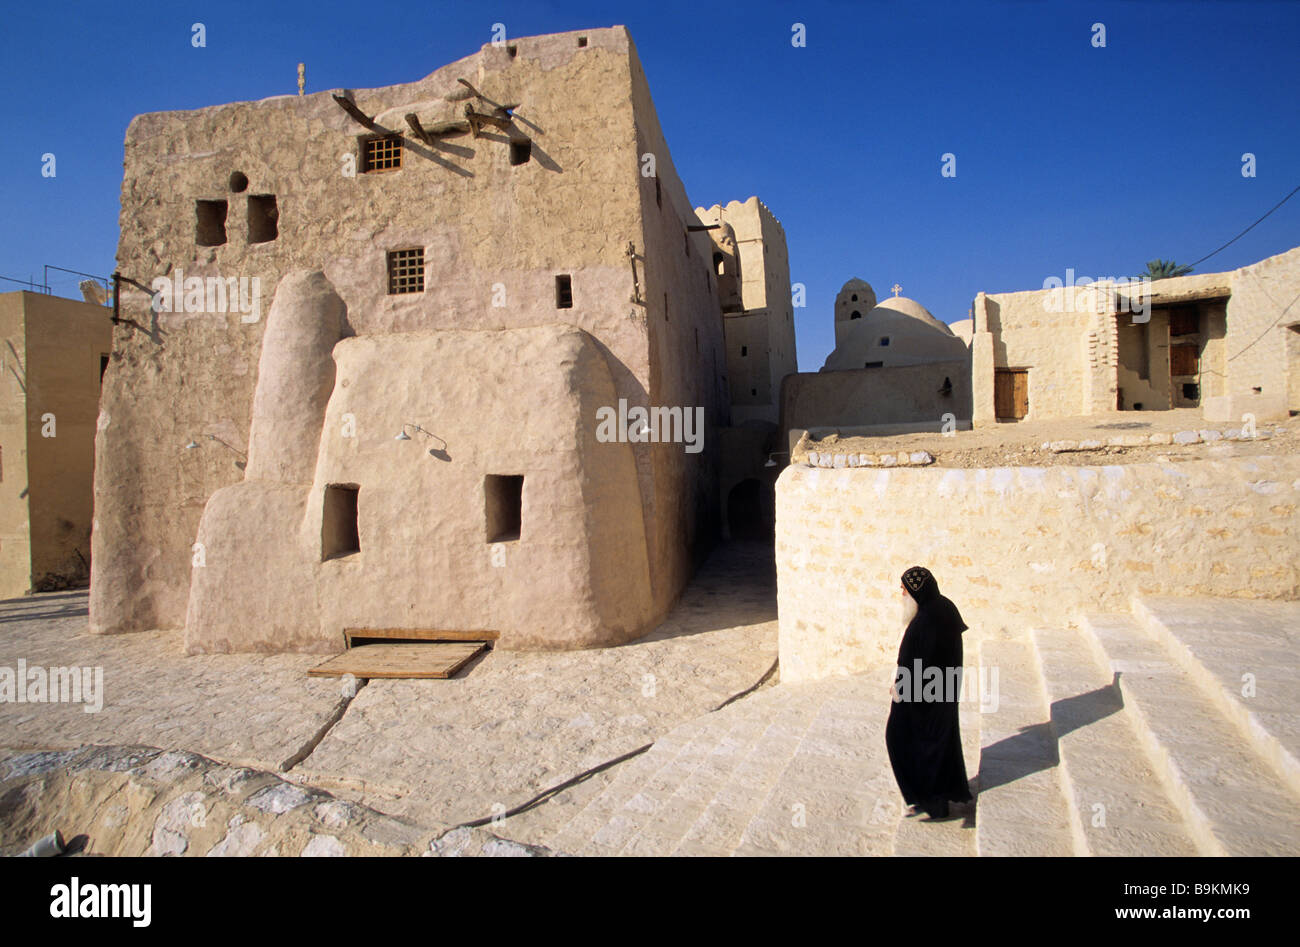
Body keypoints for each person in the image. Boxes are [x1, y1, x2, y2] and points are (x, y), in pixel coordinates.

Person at [885, 566, 973, 821]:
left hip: (923, 698)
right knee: (934, 745)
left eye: (904, 589)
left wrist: (901, 689)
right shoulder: (944, 607)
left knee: (904, 739)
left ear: (916, 591)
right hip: (939, 692)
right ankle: (931, 799)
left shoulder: (926, 620)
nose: (901, 594)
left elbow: (920, 661)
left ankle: (930, 800)